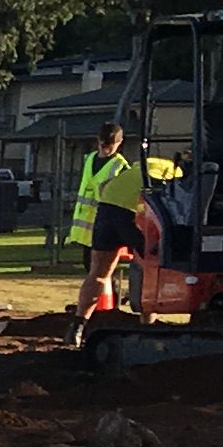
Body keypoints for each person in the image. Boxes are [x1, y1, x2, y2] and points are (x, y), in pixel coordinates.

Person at [67, 121, 146, 323]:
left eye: (109, 145)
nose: (105, 149)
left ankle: (106, 309)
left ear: (119, 143)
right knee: (92, 270)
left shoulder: (121, 167)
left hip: (107, 226)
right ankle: (96, 310)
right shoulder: (90, 159)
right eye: (103, 145)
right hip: (87, 228)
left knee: (102, 272)